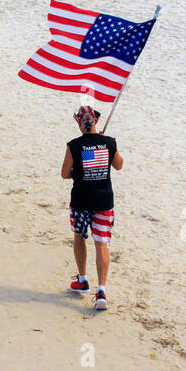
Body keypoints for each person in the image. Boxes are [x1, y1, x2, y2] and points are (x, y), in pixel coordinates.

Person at [61, 105, 123, 311]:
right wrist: (107, 146)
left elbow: (64, 173)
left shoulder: (74, 145)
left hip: (81, 200)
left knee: (80, 236)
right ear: (96, 121)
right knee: (101, 243)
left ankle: (83, 279)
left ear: (79, 123)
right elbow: (119, 165)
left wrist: (78, 175)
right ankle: (102, 290)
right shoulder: (109, 143)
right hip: (104, 201)